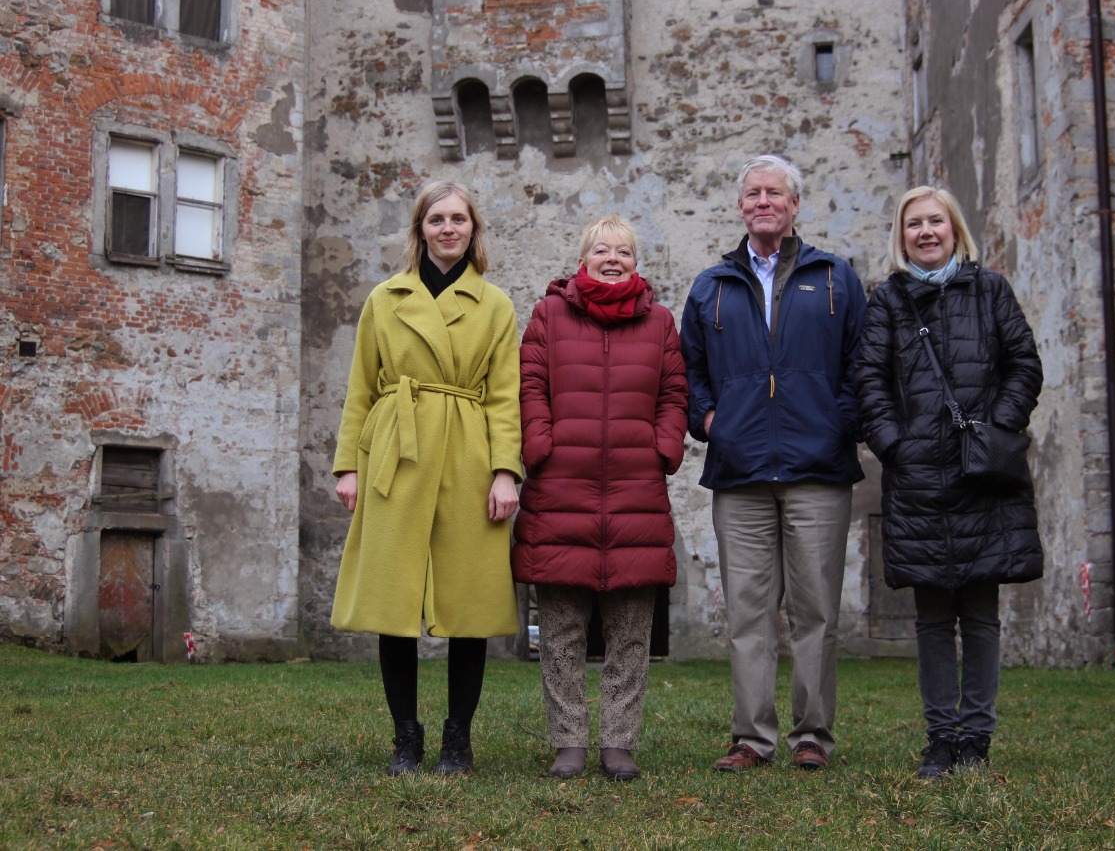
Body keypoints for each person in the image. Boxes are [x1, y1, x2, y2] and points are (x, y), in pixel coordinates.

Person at [680, 154, 867, 772]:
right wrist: (711, 422)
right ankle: (752, 739)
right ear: (741, 207)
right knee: (748, 613)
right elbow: (690, 374)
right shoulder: (712, 286)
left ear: (793, 205)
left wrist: (838, 422)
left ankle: (812, 735)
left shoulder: (836, 277)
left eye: (775, 194)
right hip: (741, 473)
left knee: (815, 610)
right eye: (753, 194)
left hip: (818, 469)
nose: (764, 202)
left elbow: (861, 367)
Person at [330, 181, 522, 777]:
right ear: (420, 230)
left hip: (467, 452)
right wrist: (347, 467)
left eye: (459, 219)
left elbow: (505, 399)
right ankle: (405, 737)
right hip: (397, 450)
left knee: (468, 603)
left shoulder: (495, 305)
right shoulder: (384, 300)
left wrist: (505, 472)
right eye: (436, 219)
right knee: (394, 602)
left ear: (473, 230)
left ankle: (457, 740)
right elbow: (361, 386)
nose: (448, 229)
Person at [854, 185, 1044, 779]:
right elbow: (868, 381)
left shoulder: (990, 291)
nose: (926, 232)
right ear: (902, 235)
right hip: (918, 478)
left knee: (981, 611)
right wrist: (894, 445)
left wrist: (997, 425)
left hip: (982, 473)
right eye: (915, 224)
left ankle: (977, 740)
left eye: (936, 221)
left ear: (955, 229)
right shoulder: (887, 301)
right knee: (934, 615)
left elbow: (1024, 365)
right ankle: (941, 738)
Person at [514, 214, 688, 782]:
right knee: (561, 628)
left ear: (636, 261)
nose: (612, 259)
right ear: (582, 258)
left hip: (637, 488)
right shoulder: (548, 315)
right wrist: (542, 444)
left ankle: (618, 742)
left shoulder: (661, 322)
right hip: (562, 485)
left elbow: (674, 393)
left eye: (623, 251)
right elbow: (531, 383)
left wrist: (662, 446)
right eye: (601, 250)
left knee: (630, 630)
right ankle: (568, 741)